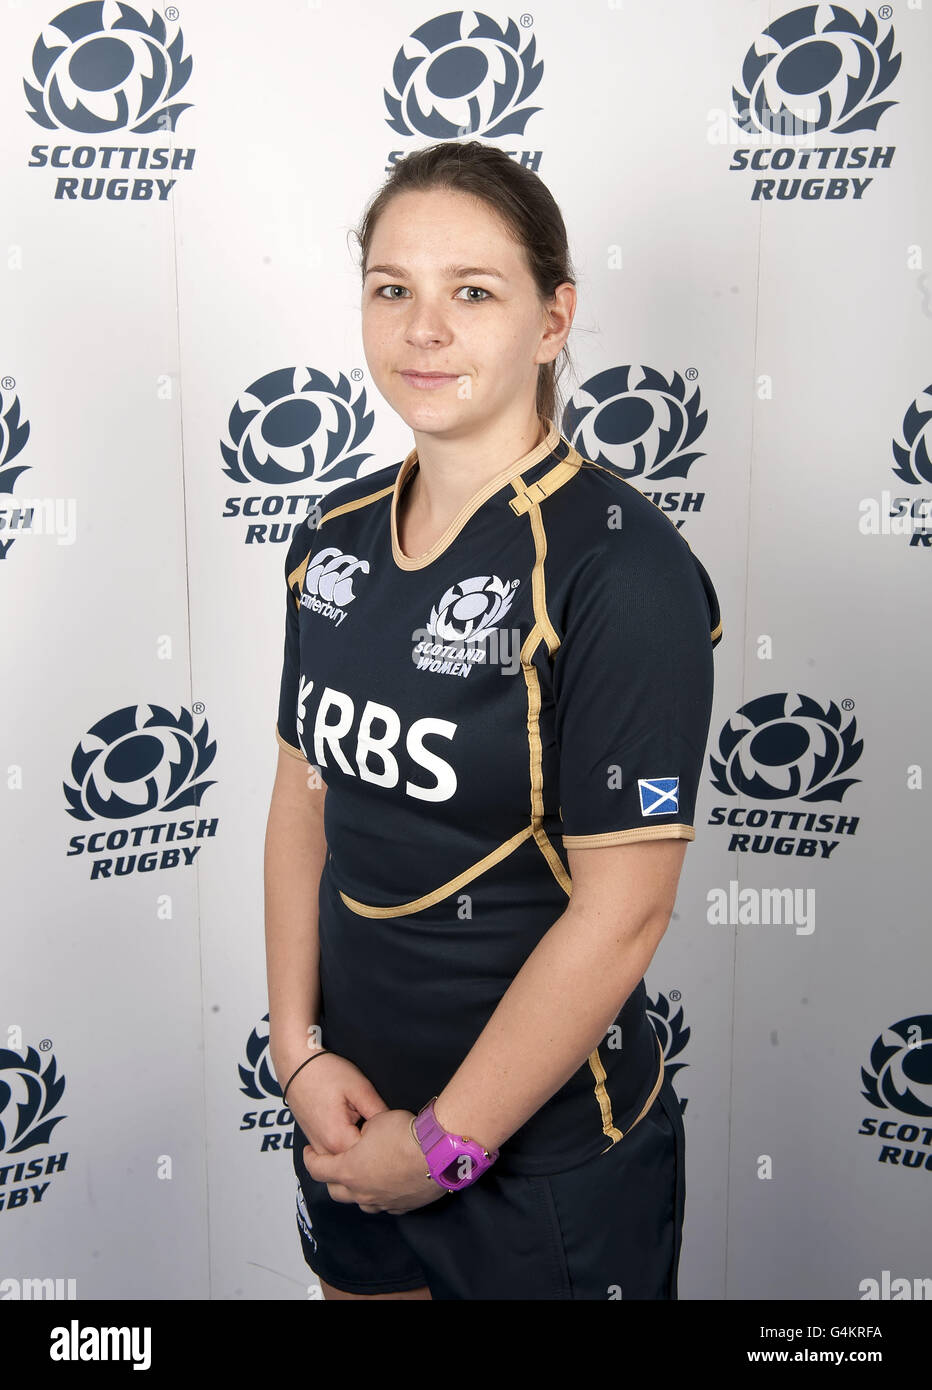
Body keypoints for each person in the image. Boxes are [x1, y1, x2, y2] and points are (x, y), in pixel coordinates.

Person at [264, 140, 722, 1301]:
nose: (425, 328)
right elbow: (299, 805)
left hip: (539, 1155)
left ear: (552, 320)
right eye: (392, 290)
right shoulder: (332, 536)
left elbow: (626, 913)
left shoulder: (623, 572)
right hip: (351, 1115)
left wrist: (444, 1145)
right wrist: (297, 1050)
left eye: (472, 291)